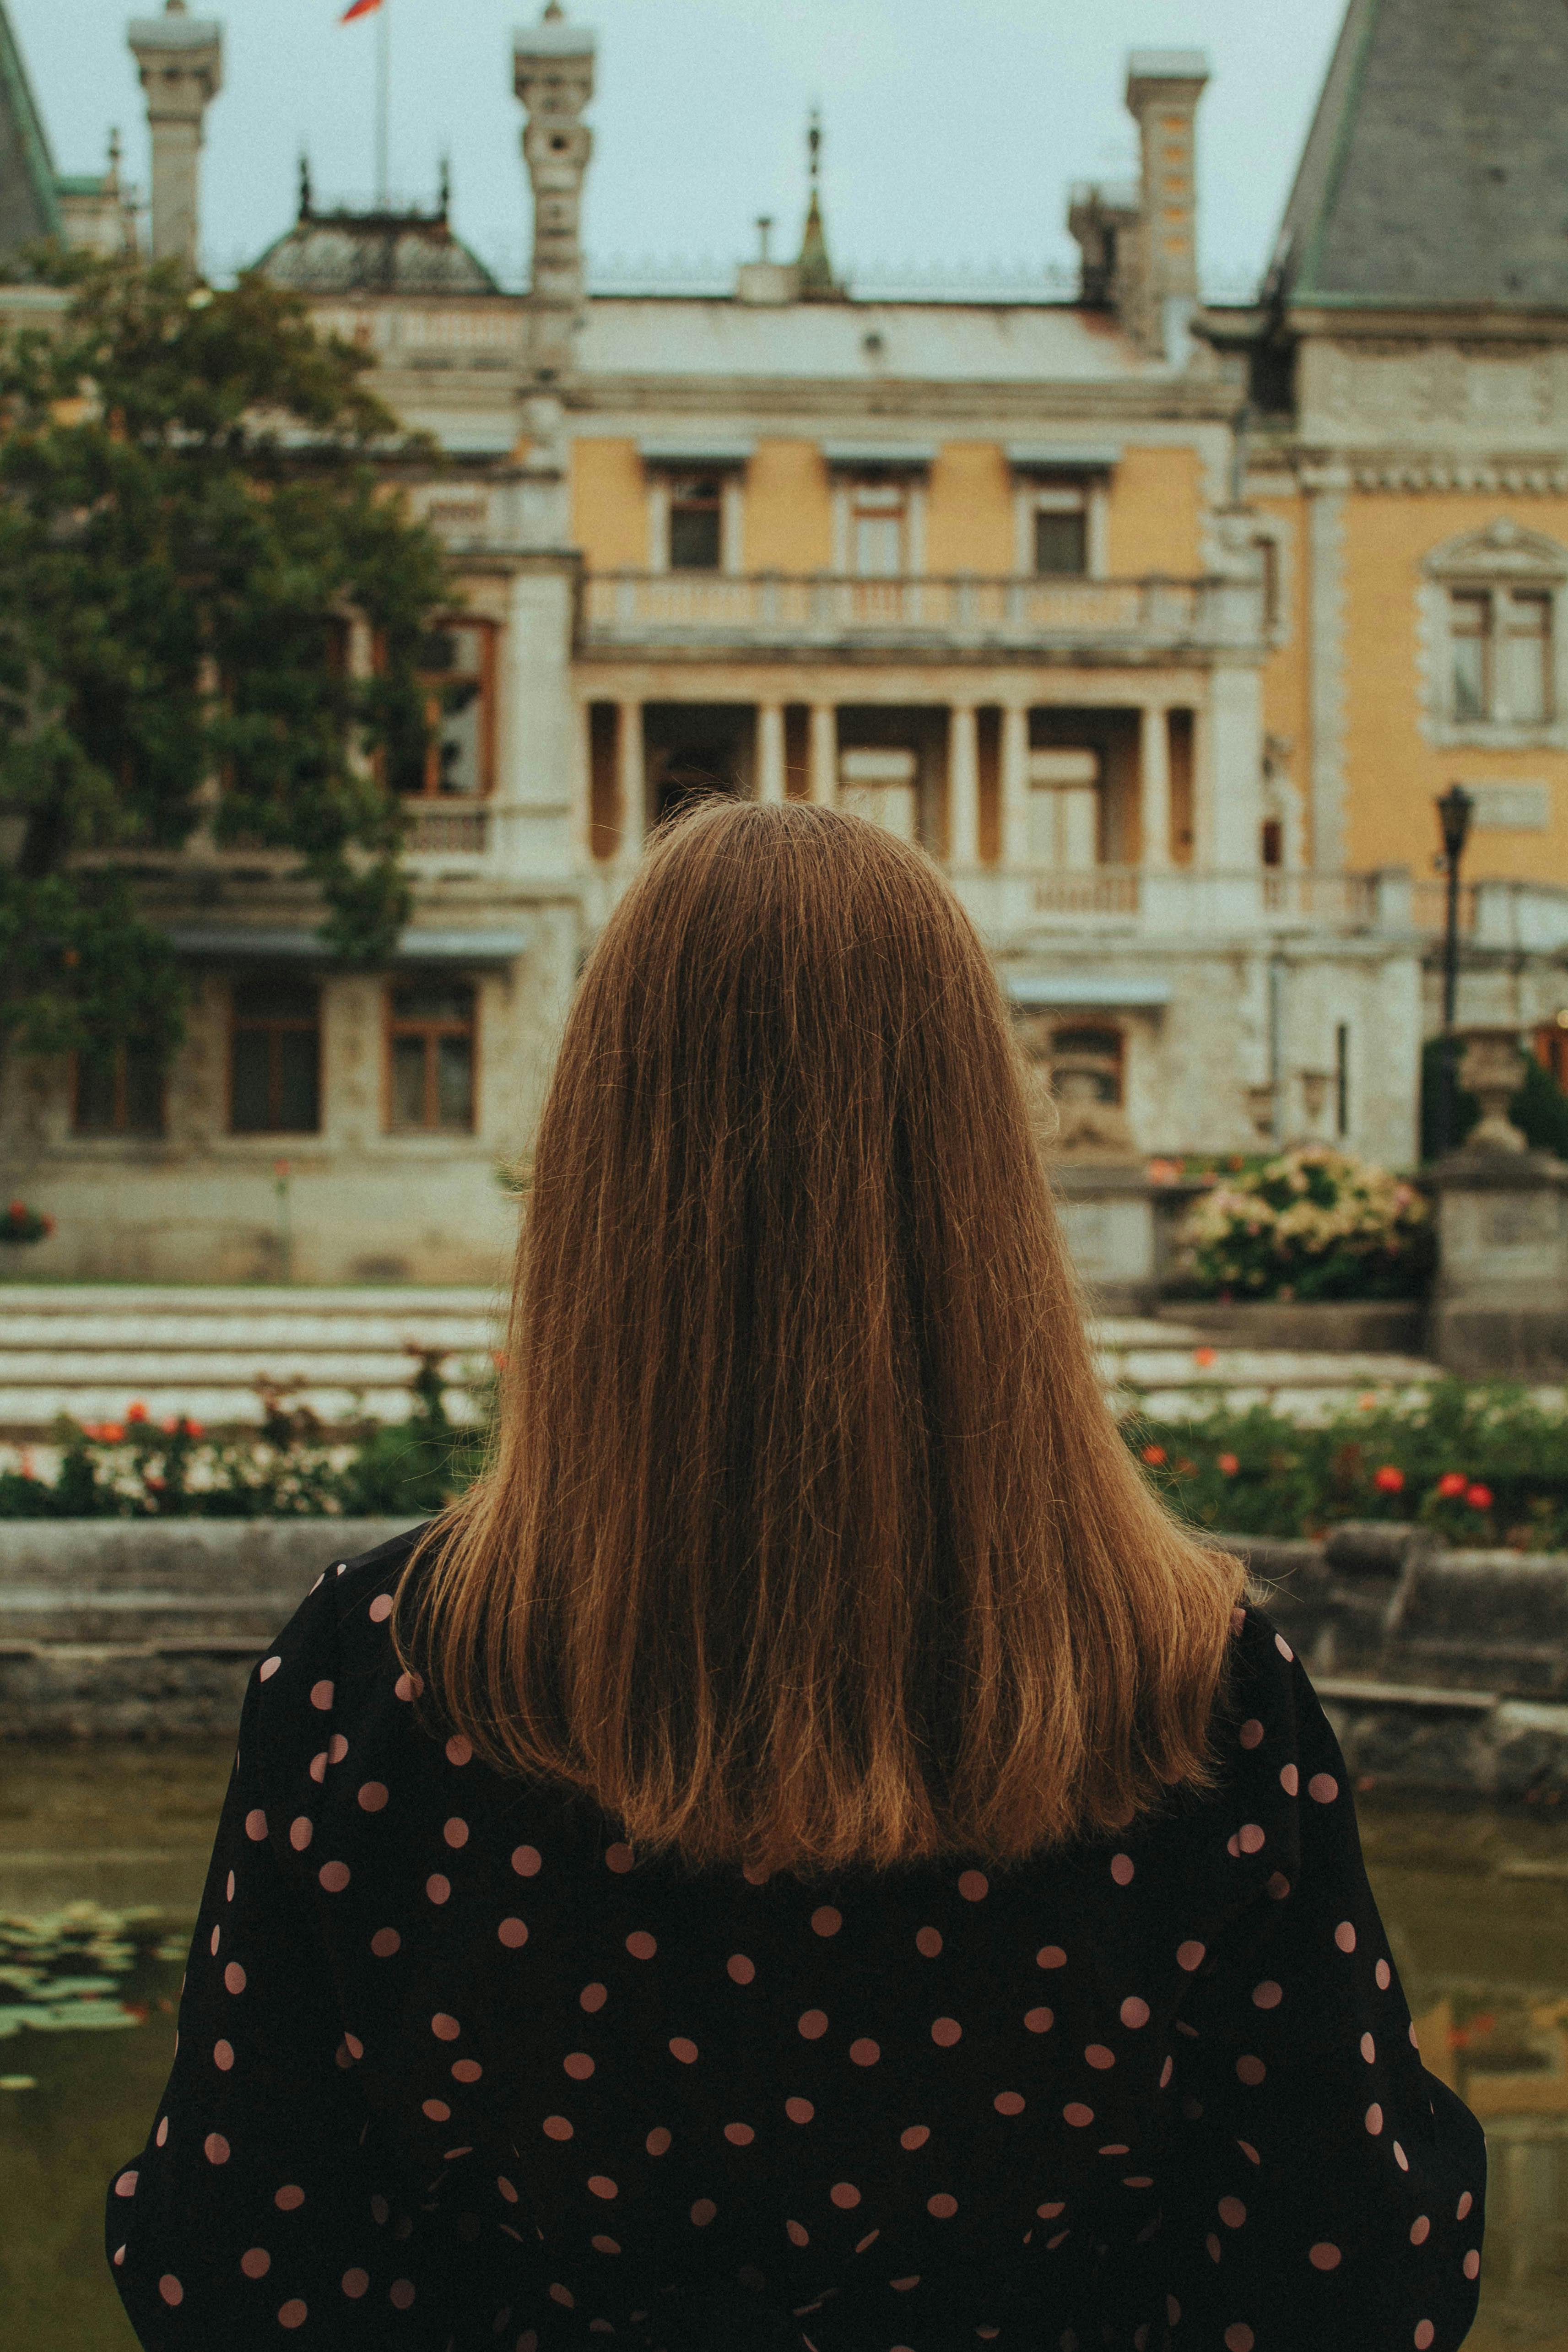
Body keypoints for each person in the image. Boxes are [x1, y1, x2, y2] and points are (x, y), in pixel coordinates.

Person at [106, 802, 1485, 2352]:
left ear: (593, 1167)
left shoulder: (372, 1678)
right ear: (985, 1174)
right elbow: (1352, 2267)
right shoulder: (1197, 1690)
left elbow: (237, 2256)